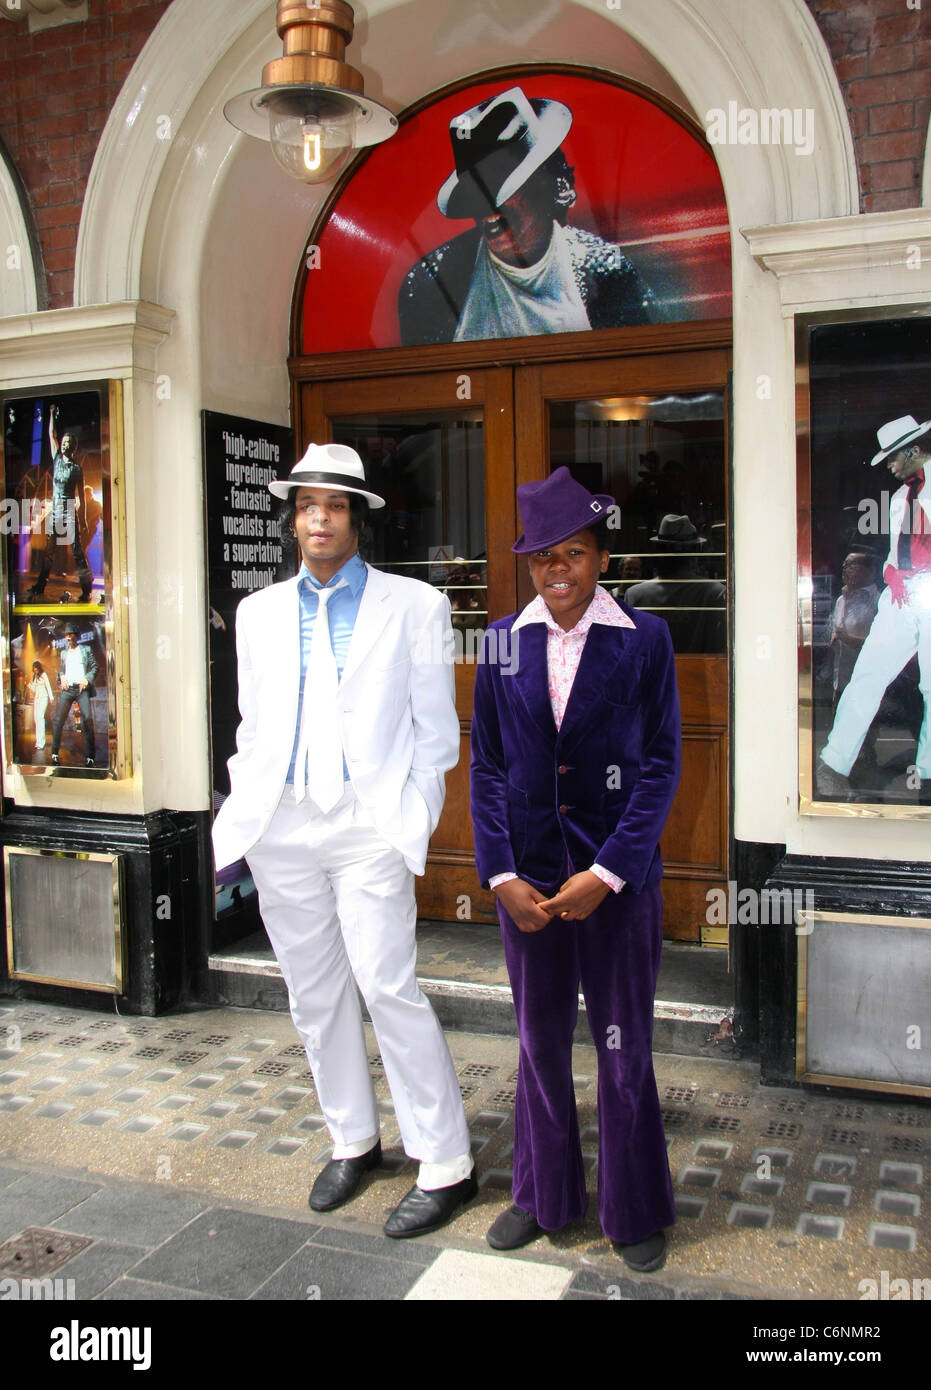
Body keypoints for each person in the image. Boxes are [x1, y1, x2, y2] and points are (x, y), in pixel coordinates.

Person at [212, 442, 476, 1238]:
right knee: (313, 994)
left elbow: (437, 733)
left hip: (367, 824)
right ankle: (352, 1139)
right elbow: (254, 724)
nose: (317, 518)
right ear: (293, 520)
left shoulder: (416, 607)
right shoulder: (257, 614)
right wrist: (253, 797)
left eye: (332, 505)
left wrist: (407, 818)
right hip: (283, 823)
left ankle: (446, 1162)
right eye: (304, 506)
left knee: (387, 986)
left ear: (356, 518)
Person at [470, 466, 681, 1271]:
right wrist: (499, 875)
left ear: (599, 559)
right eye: (542, 558)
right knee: (538, 1041)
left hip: (615, 888)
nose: (557, 571)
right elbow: (486, 765)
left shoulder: (644, 638)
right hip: (526, 886)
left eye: (573, 554)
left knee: (622, 1046)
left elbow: (660, 766)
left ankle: (633, 1208)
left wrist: (609, 872)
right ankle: (541, 1195)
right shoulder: (500, 641)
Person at [399, 86, 657, 346]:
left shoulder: (607, 270)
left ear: (547, 185)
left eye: (503, 188)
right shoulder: (432, 280)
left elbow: (641, 371)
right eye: (477, 194)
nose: (487, 209)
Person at [818, 416, 931, 798]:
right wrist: (892, 574)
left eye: (893, 458)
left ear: (914, 450)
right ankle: (834, 762)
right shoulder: (900, 498)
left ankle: (928, 772)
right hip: (901, 595)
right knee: (868, 673)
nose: (890, 466)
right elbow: (895, 550)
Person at [26, 403, 93, 604]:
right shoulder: (56, 459)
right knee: (49, 551)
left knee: (77, 552)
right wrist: (51, 414)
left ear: (73, 447)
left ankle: (86, 590)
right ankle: (40, 585)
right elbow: (51, 434)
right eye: (62, 442)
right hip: (55, 512)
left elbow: (81, 495)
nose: (63, 444)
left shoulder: (77, 469)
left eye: (67, 442)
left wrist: (83, 520)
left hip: (70, 513)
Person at [50, 622, 97, 767]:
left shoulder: (85, 649)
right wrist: (62, 677)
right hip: (68, 690)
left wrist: (87, 679)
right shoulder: (63, 653)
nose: (67, 637)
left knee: (87, 720)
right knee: (59, 720)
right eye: (66, 635)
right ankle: (54, 753)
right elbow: (61, 670)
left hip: (81, 689)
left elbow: (95, 667)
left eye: (70, 634)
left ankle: (90, 756)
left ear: (76, 636)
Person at [28, 660, 54, 752]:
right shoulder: (34, 676)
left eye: (36, 669)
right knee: (36, 719)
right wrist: (29, 685)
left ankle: (41, 743)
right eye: (34, 670)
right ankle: (38, 742)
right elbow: (34, 689)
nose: (35, 671)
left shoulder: (44, 675)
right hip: (37, 699)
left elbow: (48, 686)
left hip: (44, 698)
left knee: (40, 718)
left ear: (38, 668)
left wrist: (51, 697)